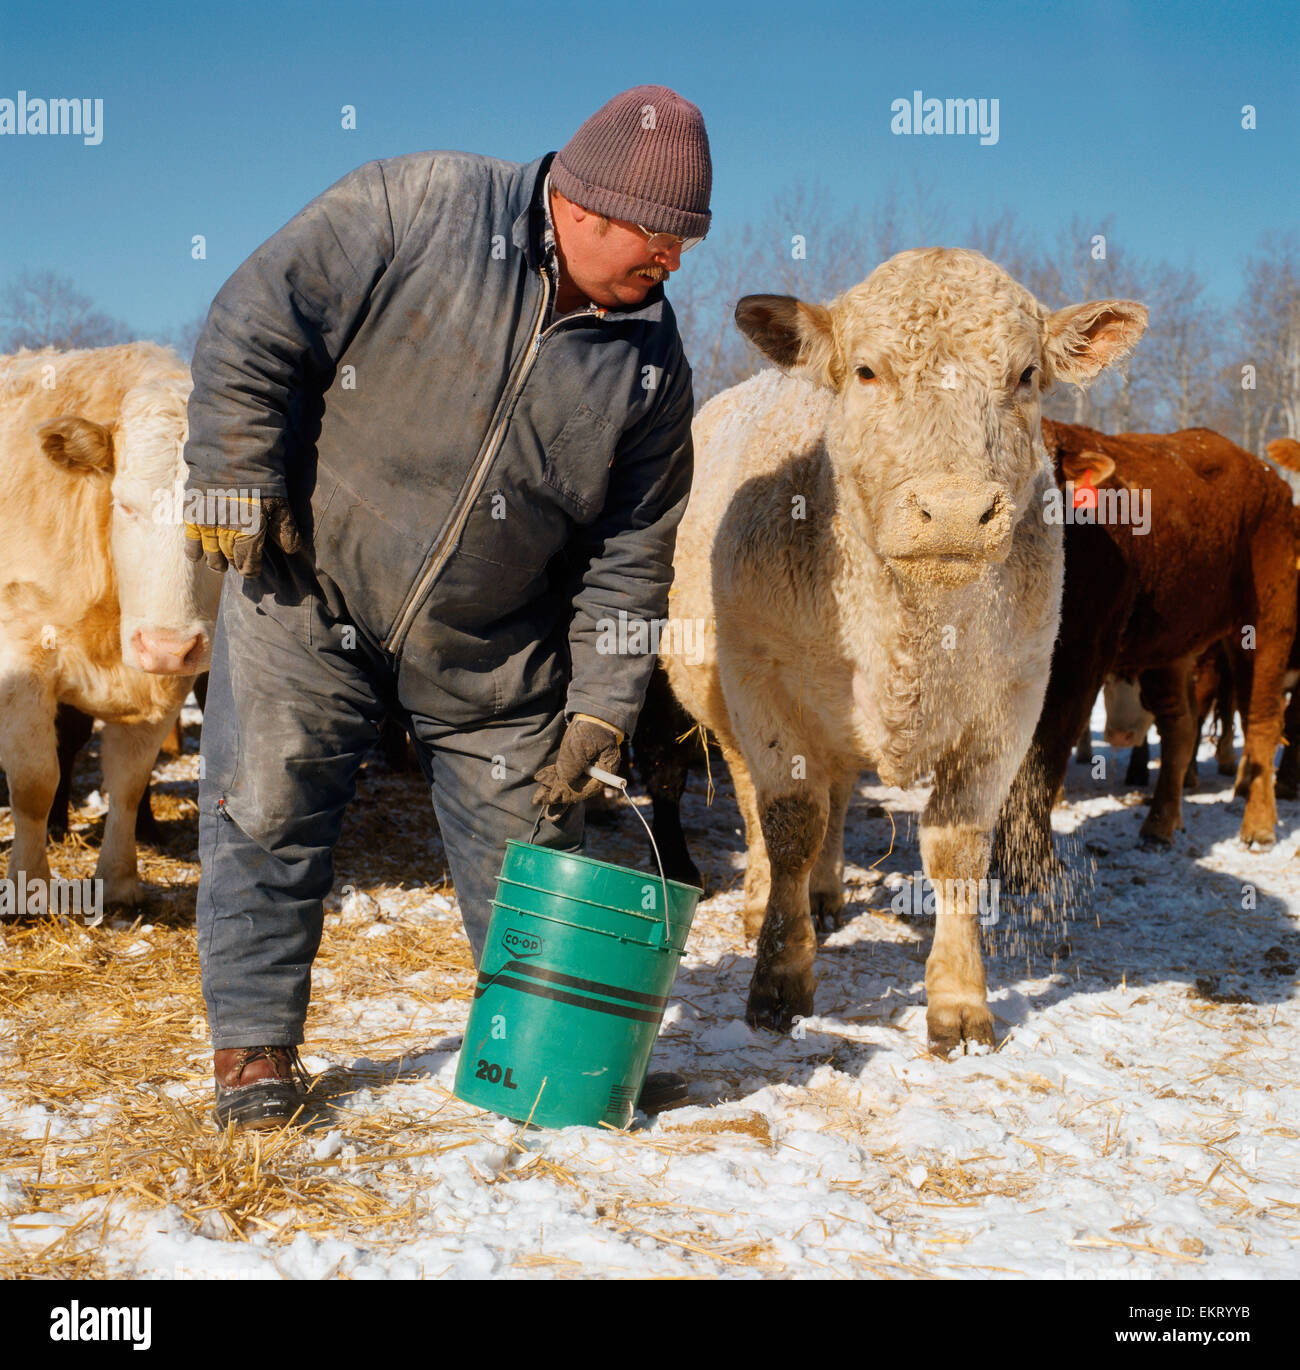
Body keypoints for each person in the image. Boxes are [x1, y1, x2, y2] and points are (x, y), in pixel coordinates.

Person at [181, 85, 710, 1129]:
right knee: (269, 803)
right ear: (586, 207)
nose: (676, 262)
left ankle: (548, 1057)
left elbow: (633, 550)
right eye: (661, 237)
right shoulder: (417, 204)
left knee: (538, 847)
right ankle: (254, 1051)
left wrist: (603, 702)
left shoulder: (652, 366)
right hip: (311, 581)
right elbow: (257, 315)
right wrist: (233, 465)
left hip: (488, 642)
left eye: (688, 242)